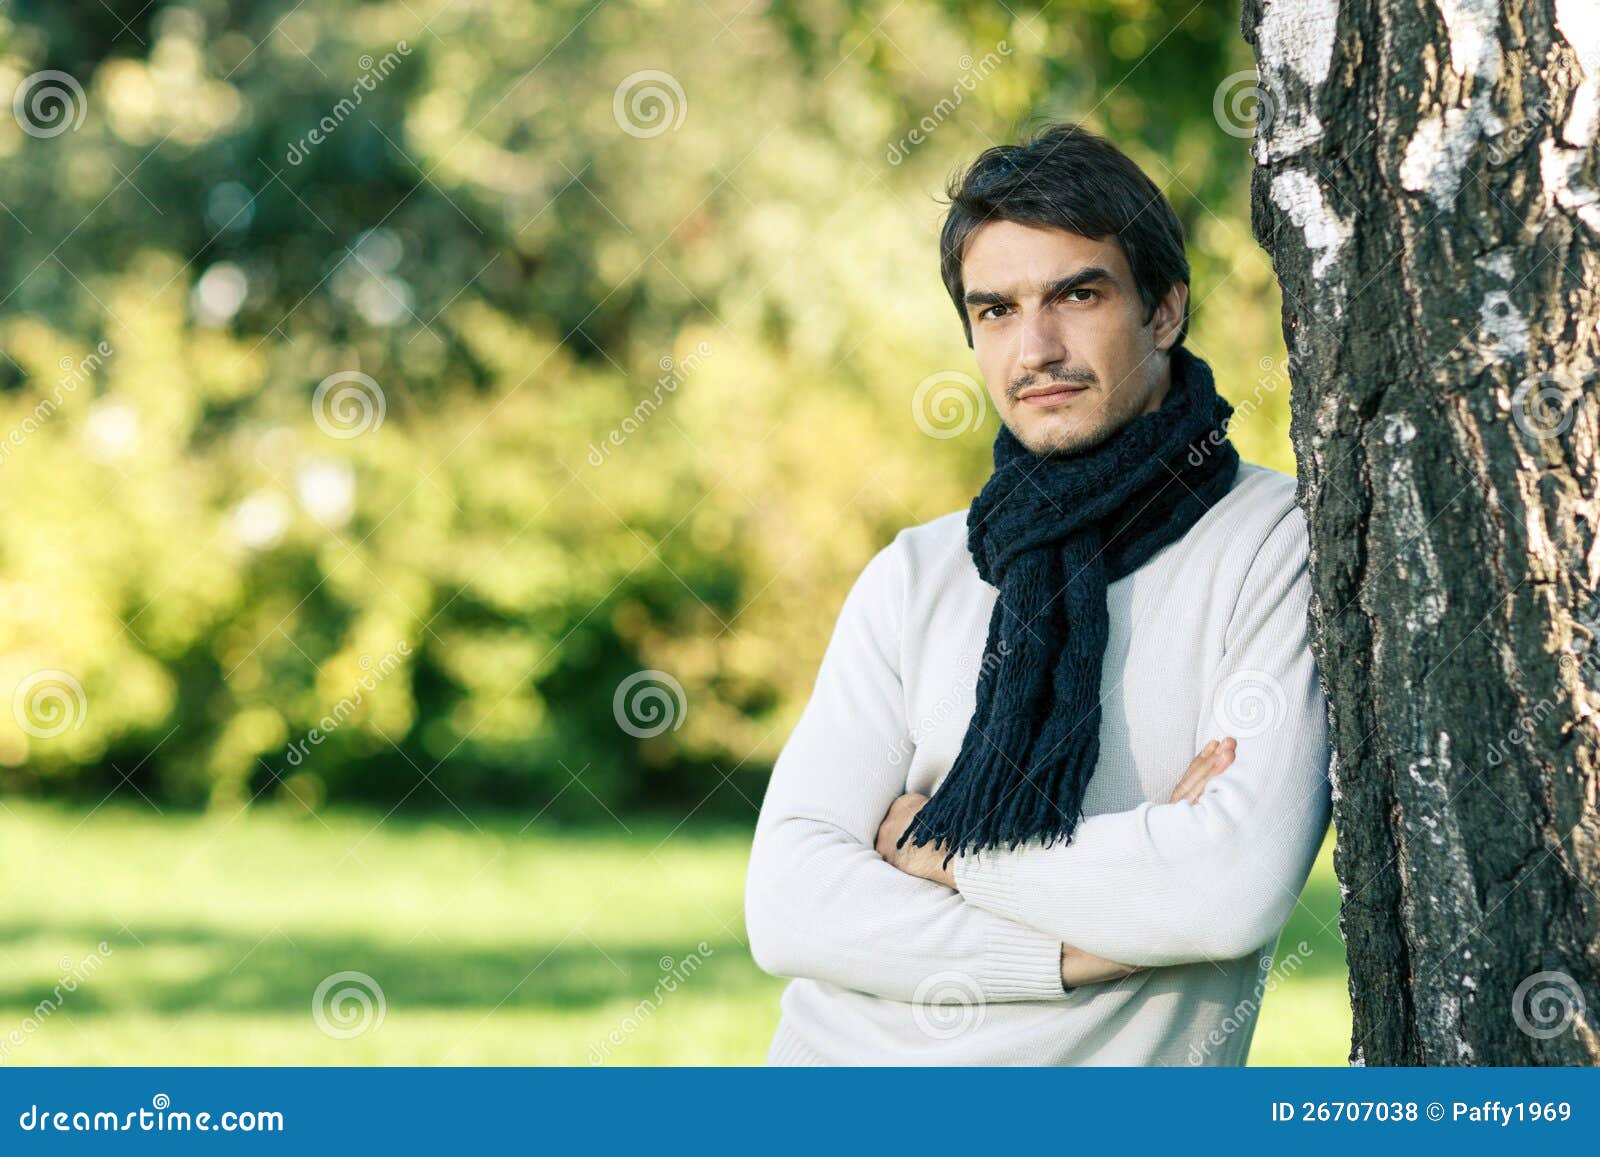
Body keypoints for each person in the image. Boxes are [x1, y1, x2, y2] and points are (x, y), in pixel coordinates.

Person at [744, 123, 1333, 1065]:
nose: (1037, 347)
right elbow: (787, 902)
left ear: (1166, 309)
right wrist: (1077, 947)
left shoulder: (1274, 542)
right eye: (997, 311)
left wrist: (939, 849)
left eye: (1078, 294)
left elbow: (1223, 887)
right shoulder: (919, 571)